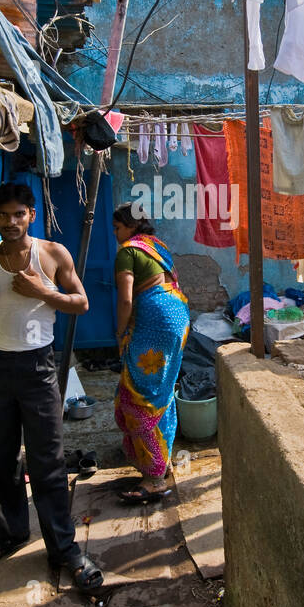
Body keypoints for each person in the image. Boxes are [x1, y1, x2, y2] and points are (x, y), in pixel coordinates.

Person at [0, 182, 102, 591]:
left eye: (18, 214)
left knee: (48, 463)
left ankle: (64, 548)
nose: (10, 222)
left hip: (40, 367)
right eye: (2, 215)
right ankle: (10, 534)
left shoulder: (53, 255)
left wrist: (44, 291)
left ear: (31, 215)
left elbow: (82, 302)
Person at [111, 202, 191, 503]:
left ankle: (155, 477)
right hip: (178, 315)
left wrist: (119, 332)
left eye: (117, 227)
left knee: (139, 396)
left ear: (130, 226)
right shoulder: (156, 245)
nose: (116, 233)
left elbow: (126, 301)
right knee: (162, 391)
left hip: (155, 321)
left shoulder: (128, 251)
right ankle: (163, 461)